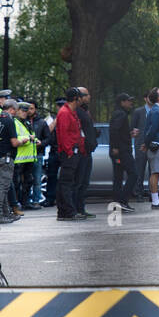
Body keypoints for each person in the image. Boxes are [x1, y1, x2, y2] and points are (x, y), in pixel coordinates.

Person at [55, 87, 86, 220]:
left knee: (67, 182)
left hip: (74, 151)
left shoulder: (71, 112)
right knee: (66, 183)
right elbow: (63, 134)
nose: (82, 99)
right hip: (69, 153)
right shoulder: (65, 113)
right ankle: (67, 211)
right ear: (75, 98)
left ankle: (64, 211)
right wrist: (69, 151)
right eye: (80, 97)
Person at [0, 98, 21, 222]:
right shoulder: (9, 120)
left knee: (4, 186)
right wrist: (24, 140)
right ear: (12, 109)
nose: (17, 113)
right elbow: (14, 142)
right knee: (3, 188)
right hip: (6, 157)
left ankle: (7, 213)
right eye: (16, 110)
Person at [109, 93, 137, 212]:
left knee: (118, 177)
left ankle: (118, 202)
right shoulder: (121, 114)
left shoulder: (119, 113)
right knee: (133, 174)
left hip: (119, 150)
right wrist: (115, 147)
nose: (131, 103)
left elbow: (119, 132)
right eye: (128, 101)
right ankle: (123, 200)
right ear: (122, 102)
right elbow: (114, 130)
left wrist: (129, 134)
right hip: (122, 151)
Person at [142, 87, 159, 209]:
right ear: (158, 98)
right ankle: (155, 201)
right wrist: (147, 144)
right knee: (155, 173)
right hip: (155, 146)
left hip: (156, 145)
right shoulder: (157, 111)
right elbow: (153, 130)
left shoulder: (158, 110)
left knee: (156, 172)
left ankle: (156, 200)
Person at [74, 86, 97, 218]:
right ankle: (76, 208)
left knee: (84, 182)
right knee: (79, 181)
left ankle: (81, 208)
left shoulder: (85, 111)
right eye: (87, 95)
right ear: (80, 97)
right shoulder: (77, 112)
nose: (89, 97)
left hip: (88, 151)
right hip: (82, 151)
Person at [13, 101, 38, 209]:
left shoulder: (27, 122)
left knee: (29, 181)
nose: (24, 113)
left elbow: (32, 135)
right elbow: (15, 139)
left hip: (29, 158)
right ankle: (17, 203)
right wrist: (29, 139)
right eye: (22, 111)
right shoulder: (14, 122)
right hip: (19, 158)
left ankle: (25, 202)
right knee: (17, 182)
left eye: (25, 111)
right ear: (17, 111)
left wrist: (36, 140)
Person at [27, 101, 49, 209]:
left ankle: (36, 201)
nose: (29, 110)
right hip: (25, 156)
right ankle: (25, 201)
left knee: (37, 179)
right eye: (28, 108)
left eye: (31, 108)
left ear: (35, 109)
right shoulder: (23, 121)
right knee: (25, 179)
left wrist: (42, 143)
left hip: (38, 154)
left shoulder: (41, 123)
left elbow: (48, 138)